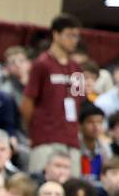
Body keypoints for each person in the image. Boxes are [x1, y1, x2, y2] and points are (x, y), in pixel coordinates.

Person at [23, 14, 83, 173]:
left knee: (73, 189)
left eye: (76, 36)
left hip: (71, 140)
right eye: (70, 35)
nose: (74, 40)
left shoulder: (77, 68)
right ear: (56, 35)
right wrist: (34, 131)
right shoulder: (42, 64)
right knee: (42, 184)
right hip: (45, 138)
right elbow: (27, 102)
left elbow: (78, 103)